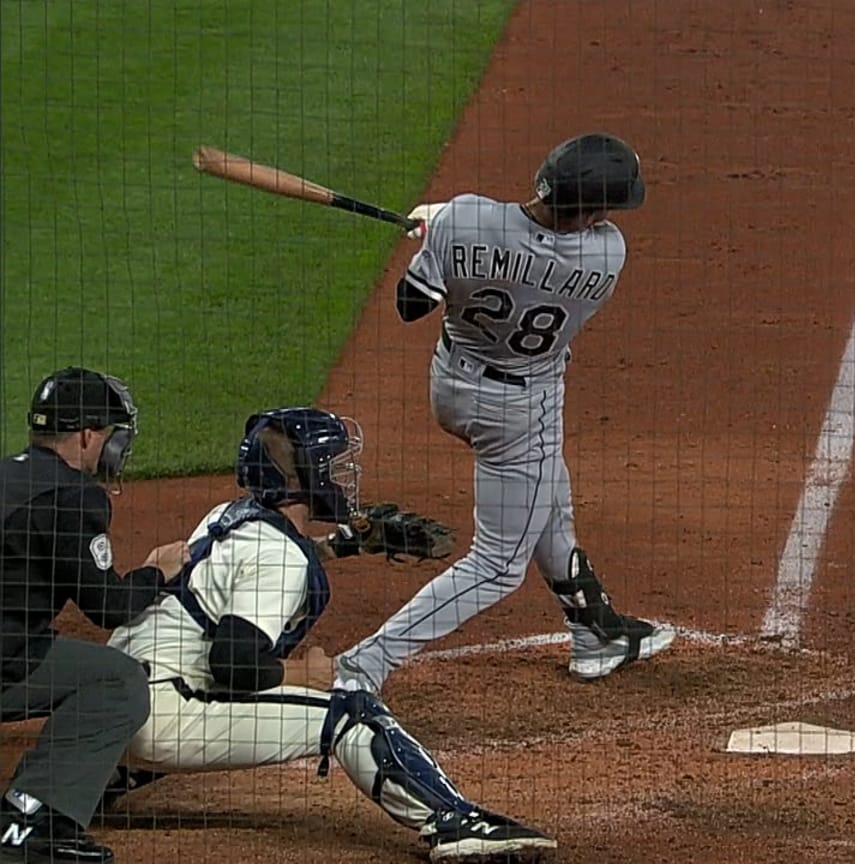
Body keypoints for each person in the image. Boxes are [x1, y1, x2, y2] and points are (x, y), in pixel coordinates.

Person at [101, 407, 555, 862]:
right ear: (306, 477)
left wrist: (345, 543)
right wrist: (303, 673)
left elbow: (256, 570)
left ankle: (103, 780)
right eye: (332, 465)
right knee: (352, 710)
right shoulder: (279, 557)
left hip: (109, 710)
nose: (343, 474)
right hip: (162, 717)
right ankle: (454, 824)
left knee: (205, 676)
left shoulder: (228, 515)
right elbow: (234, 663)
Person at [331, 132, 675, 695]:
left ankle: (596, 629)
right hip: (519, 410)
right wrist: (449, 232)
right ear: (592, 210)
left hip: (451, 386)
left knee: (548, 498)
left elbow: (410, 305)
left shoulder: (464, 218)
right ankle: (364, 664)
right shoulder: (607, 255)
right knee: (496, 565)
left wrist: (437, 238)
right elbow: (527, 254)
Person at [0, 367, 189, 864]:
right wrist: (156, 572)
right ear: (89, 435)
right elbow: (110, 607)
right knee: (117, 680)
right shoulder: (72, 495)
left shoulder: (6, 474)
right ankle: (31, 823)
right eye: (112, 435)